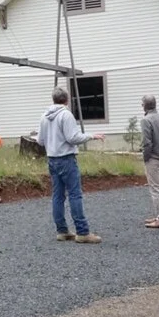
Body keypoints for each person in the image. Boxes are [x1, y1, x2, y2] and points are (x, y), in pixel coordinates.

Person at [38, 87, 106, 243]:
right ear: (66, 100)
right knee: (75, 195)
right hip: (66, 158)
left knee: (57, 196)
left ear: (53, 99)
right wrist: (91, 136)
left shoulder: (44, 116)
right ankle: (82, 232)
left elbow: (40, 141)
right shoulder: (66, 115)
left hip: (52, 159)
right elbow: (72, 138)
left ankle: (62, 230)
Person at [141, 95, 159, 229]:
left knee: (155, 189)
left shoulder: (146, 120)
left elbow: (147, 142)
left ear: (145, 105)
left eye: (142, 103)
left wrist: (145, 157)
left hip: (153, 157)